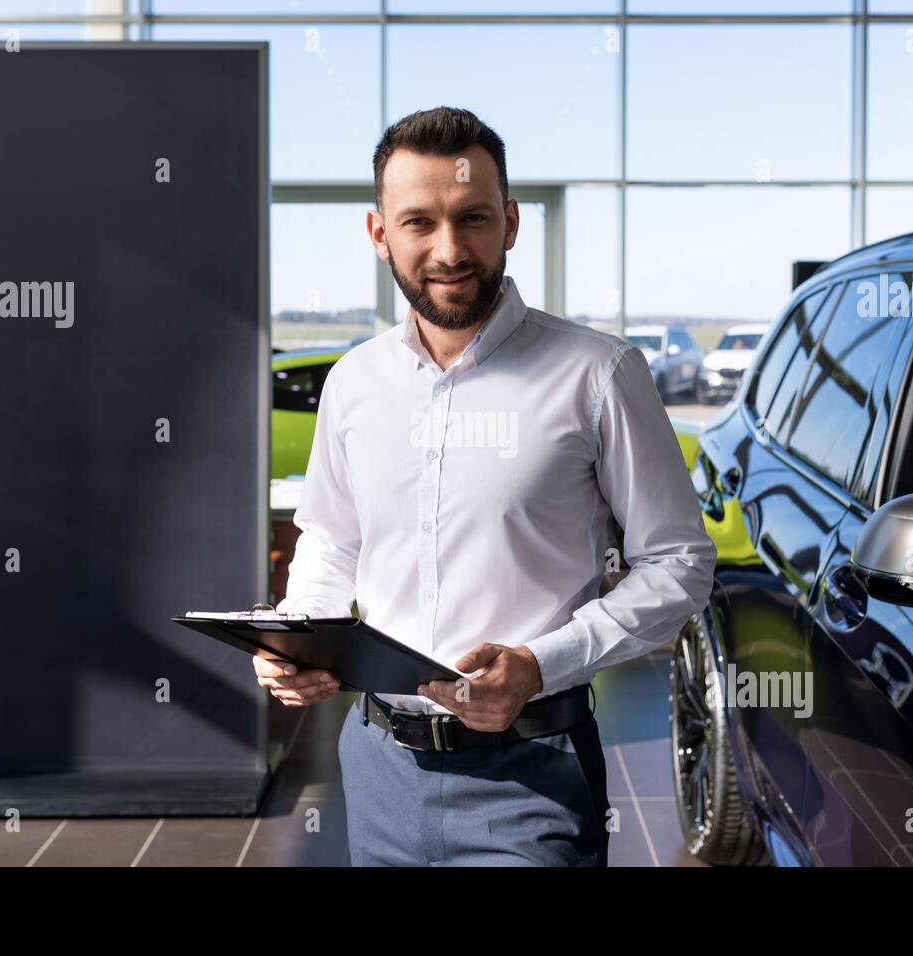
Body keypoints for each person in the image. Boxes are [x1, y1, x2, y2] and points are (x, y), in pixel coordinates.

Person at [258, 106, 716, 866]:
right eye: (419, 223)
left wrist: (543, 665)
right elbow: (334, 543)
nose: (449, 249)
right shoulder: (354, 383)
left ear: (508, 223)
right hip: (376, 765)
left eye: (472, 218)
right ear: (380, 235)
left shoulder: (598, 374)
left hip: (531, 770)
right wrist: (298, 633)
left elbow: (679, 564)